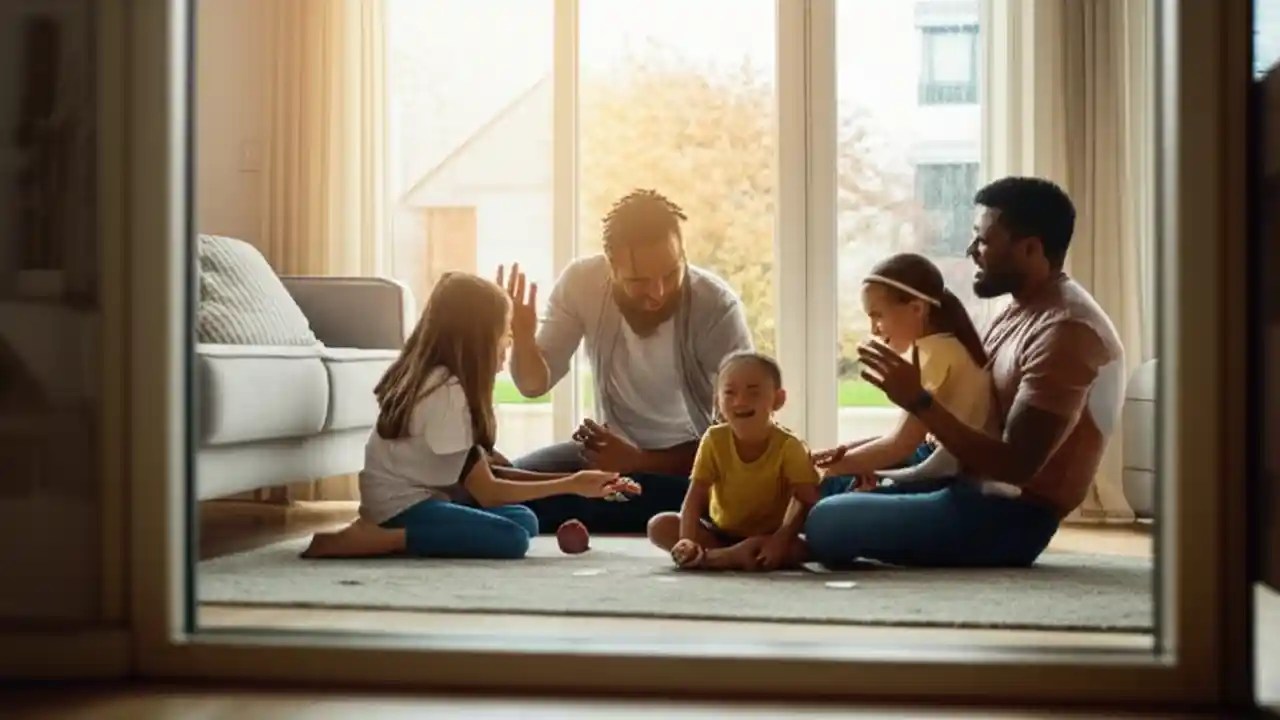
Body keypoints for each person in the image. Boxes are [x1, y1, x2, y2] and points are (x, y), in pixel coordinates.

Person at [805, 176, 1126, 568]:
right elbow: (960, 422)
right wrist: (851, 454)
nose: (971, 250)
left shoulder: (1067, 331)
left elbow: (1017, 465)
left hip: (1006, 517)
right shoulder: (1019, 310)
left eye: (984, 240)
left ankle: (791, 541)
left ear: (1030, 249)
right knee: (814, 484)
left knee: (828, 520)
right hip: (957, 475)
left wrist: (919, 401)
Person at [300, 273, 639, 560]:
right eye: (503, 333)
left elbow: (489, 471)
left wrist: (582, 479)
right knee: (512, 539)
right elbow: (488, 491)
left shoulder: (444, 381)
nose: (508, 343)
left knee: (524, 520)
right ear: (477, 339)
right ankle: (384, 538)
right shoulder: (447, 394)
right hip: (399, 509)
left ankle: (408, 531)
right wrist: (571, 484)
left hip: (422, 500)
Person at [500, 189, 754, 533]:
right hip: (604, 458)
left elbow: (743, 439)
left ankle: (622, 505)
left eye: (670, 273)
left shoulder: (716, 308)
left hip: (692, 462)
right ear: (610, 266)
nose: (658, 292)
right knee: (505, 490)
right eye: (639, 281)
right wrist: (525, 338)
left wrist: (640, 461)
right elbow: (533, 385)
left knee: (731, 500)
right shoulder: (581, 284)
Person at [809, 252, 999, 494]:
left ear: (917, 308)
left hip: (948, 475)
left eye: (878, 316)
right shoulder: (937, 346)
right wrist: (838, 453)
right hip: (932, 458)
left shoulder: (938, 354)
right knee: (833, 482)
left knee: (826, 494)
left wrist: (826, 469)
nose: (873, 330)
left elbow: (901, 444)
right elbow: (904, 438)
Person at [646, 352, 820, 571]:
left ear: (778, 399)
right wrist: (687, 541)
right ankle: (727, 555)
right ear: (718, 401)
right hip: (719, 533)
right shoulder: (714, 439)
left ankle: (714, 559)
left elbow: (805, 500)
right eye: (730, 393)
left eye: (753, 392)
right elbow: (695, 496)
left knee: (807, 549)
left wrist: (780, 539)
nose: (740, 401)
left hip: (768, 538)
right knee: (659, 525)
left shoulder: (790, 446)